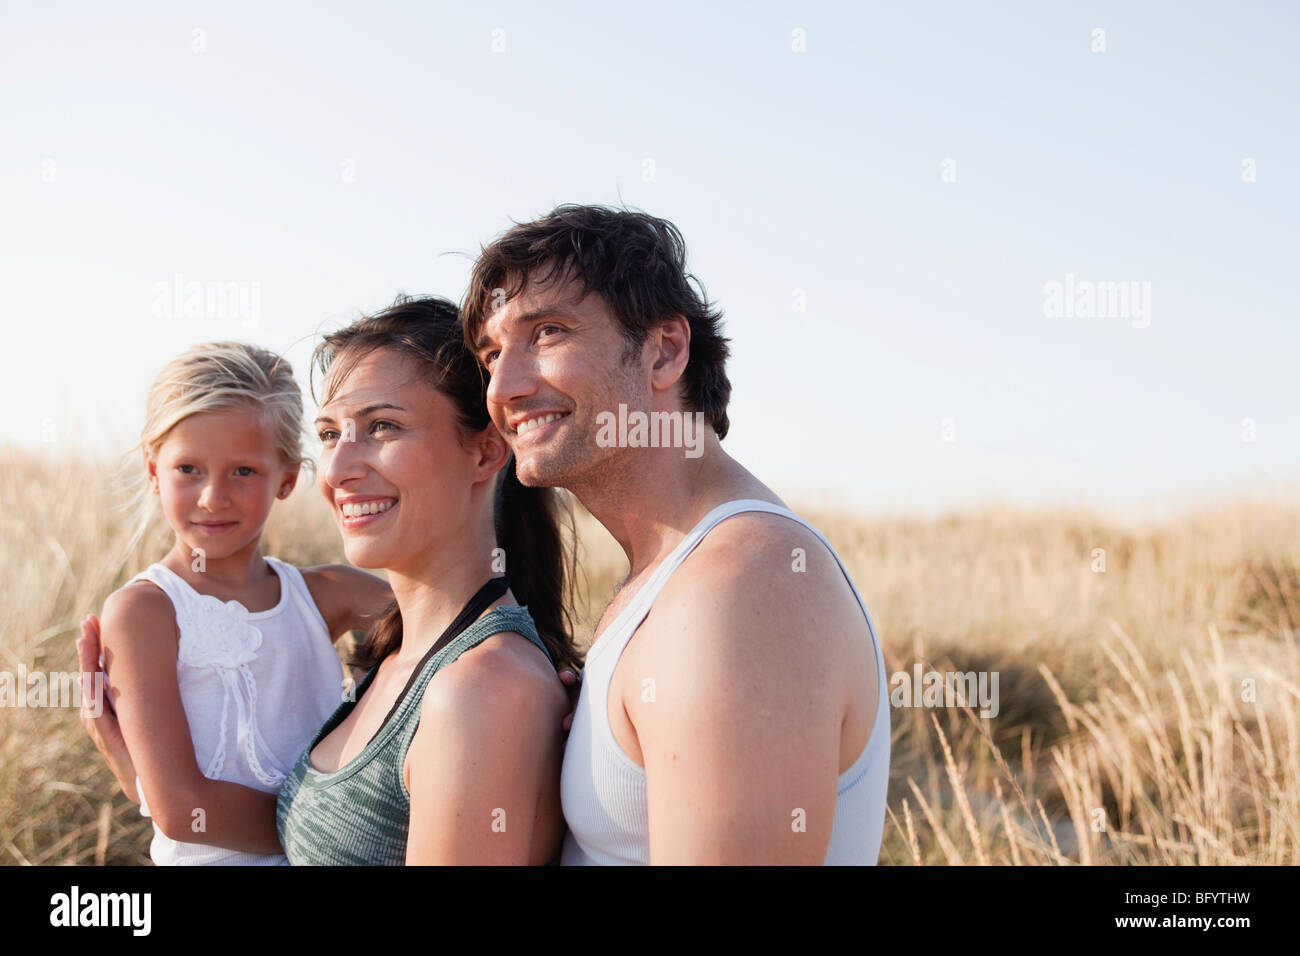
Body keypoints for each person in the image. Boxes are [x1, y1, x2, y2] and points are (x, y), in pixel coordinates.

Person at [461, 204, 891, 864]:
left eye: (546, 333)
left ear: (664, 350)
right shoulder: (674, 577)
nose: (504, 387)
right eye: (492, 354)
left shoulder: (745, 585)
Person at [81, 296, 581, 865]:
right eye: (329, 433)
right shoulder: (411, 654)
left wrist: (143, 787)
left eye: (383, 427)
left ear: (488, 450)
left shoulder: (480, 686)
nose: (339, 470)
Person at [87, 341, 393, 865]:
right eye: (189, 469)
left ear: (289, 478)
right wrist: (348, 836)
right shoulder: (146, 612)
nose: (212, 497)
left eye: (243, 472)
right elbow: (182, 808)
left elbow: (453, 620)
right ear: (154, 471)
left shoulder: (329, 595)